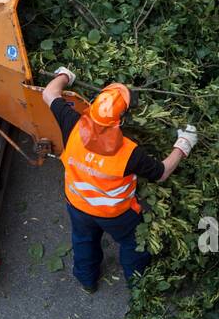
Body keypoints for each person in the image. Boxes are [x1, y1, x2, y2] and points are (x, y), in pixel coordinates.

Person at [42, 67, 196, 293]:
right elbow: (162, 172)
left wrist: (65, 76)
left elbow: (49, 93)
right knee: (133, 244)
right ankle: (137, 286)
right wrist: (183, 145)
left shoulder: (72, 124)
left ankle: (86, 281)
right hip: (115, 214)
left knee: (83, 241)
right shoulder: (128, 153)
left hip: (77, 204)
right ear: (119, 122)